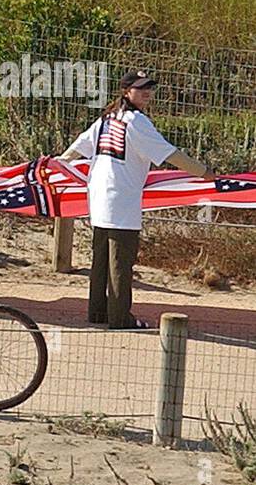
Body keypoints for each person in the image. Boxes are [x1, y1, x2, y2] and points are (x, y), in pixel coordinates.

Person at [60, 70, 214, 330]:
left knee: (101, 261)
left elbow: (76, 149)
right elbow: (170, 154)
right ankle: (120, 319)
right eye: (140, 87)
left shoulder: (106, 119)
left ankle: (97, 313)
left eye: (149, 87)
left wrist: (57, 166)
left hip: (98, 197)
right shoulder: (137, 121)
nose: (147, 92)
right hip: (122, 200)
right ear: (126, 91)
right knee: (120, 262)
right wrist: (204, 172)